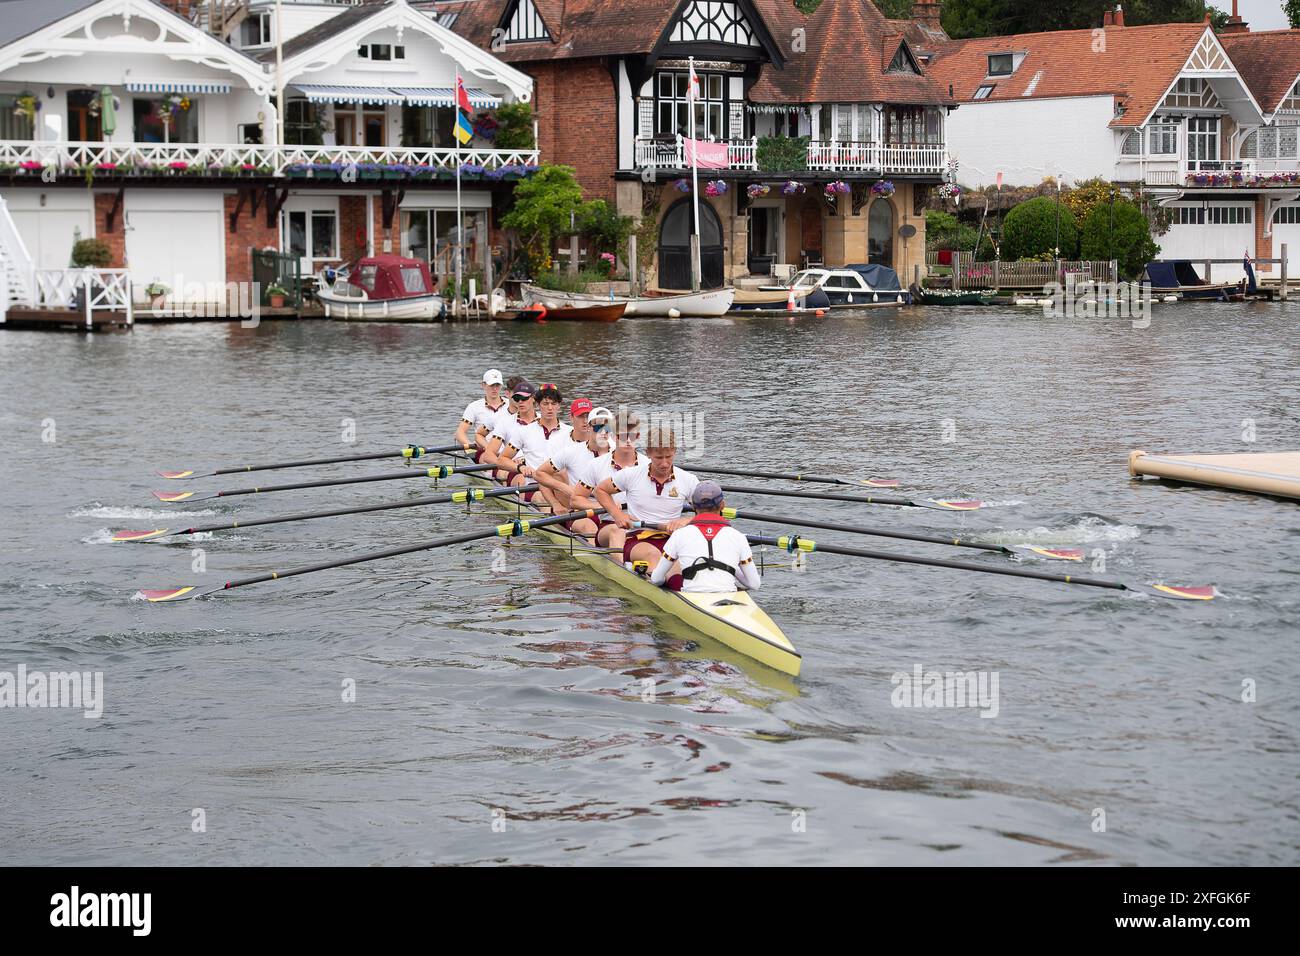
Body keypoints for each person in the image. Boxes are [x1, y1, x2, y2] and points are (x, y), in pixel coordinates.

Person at [593, 424, 698, 575]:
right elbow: (600, 490)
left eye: (668, 457)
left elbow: (711, 512)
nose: (664, 463)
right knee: (653, 556)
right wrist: (618, 515)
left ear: (674, 451)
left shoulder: (688, 480)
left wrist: (686, 521)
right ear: (648, 453)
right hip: (639, 538)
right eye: (658, 458)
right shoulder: (631, 475)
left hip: (673, 540)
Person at [651, 482, 760, 593]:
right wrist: (732, 566)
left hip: (692, 598)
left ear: (693, 505)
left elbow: (656, 579)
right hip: (728, 598)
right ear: (722, 505)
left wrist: (664, 583)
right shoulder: (738, 536)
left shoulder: (679, 535)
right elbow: (754, 584)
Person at [571, 410, 645, 544]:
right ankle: (620, 564)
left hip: (643, 525)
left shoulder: (648, 465)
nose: (628, 440)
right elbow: (575, 500)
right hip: (610, 524)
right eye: (623, 436)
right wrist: (604, 506)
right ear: (614, 436)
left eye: (632, 436)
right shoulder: (596, 465)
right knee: (618, 531)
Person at [497, 382, 572, 497]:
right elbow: (502, 460)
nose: (550, 408)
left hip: (561, 485)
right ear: (537, 405)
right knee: (544, 501)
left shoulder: (570, 432)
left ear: (559, 405)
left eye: (553, 403)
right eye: (545, 404)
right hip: (534, 485)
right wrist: (520, 467)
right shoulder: (524, 431)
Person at [534, 398, 605, 515]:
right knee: (558, 473)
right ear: (571, 417)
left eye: (588, 417)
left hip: (599, 497)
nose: (585, 421)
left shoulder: (608, 443)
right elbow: (541, 477)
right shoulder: (557, 443)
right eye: (581, 416)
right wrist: (555, 503)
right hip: (570, 499)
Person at [455, 368, 506, 455]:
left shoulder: (510, 405)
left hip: (509, 453)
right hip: (484, 451)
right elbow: (460, 433)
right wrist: (471, 448)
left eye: (497, 385)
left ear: (501, 386)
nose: (495, 389)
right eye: (491, 385)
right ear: (483, 385)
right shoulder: (474, 407)